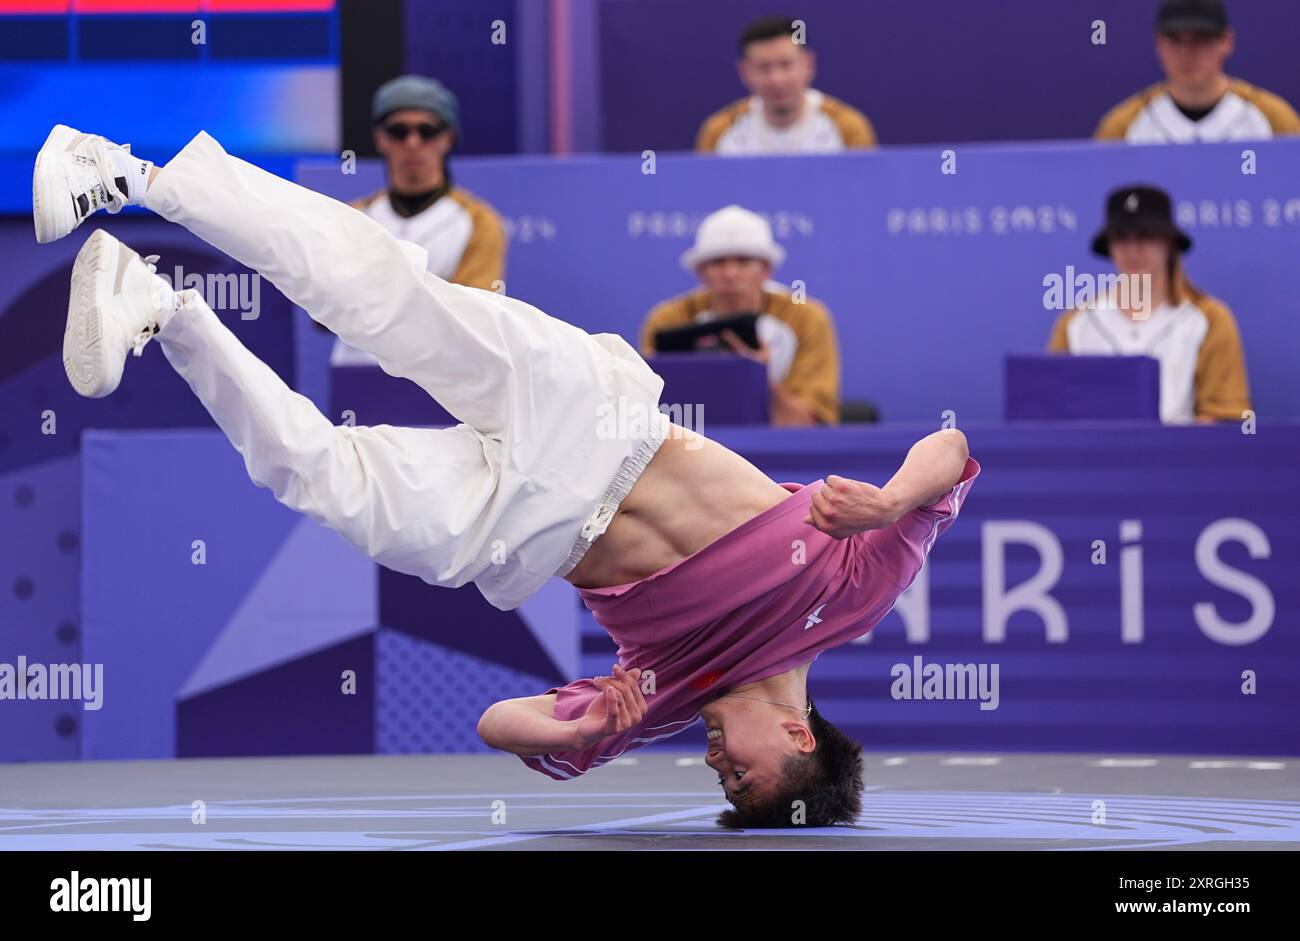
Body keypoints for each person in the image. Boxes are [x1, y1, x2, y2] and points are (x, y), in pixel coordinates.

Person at [34, 124, 978, 828]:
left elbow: (499, 720)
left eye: (721, 786)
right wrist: (895, 497)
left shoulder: (661, 704)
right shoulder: (852, 596)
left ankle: (162, 308)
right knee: (382, 301)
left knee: (321, 481)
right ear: (803, 740)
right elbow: (948, 454)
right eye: (746, 779)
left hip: (522, 531)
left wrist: (569, 734)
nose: (719, 770)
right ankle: (127, 172)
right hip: (595, 424)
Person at [327, 74, 506, 366]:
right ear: (380, 138)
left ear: (447, 138)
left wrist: (370, 296)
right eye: (398, 131)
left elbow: (472, 318)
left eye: (427, 131)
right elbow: (326, 312)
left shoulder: (479, 222)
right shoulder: (353, 217)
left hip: (440, 379)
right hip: (355, 373)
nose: (412, 143)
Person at [1047, 185, 1251, 423]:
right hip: (1094, 455)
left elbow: (1224, 416)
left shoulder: (1210, 319)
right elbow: (1052, 414)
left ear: (1169, 243)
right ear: (1109, 246)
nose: (1133, 250)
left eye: (1145, 235)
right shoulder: (1075, 323)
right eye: (1121, 238)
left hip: (1181, 455)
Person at [640, 205, 841, 425]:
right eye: (718, 262)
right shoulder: (667, 320)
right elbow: (653, 420)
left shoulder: (808, 319)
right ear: (700, 271)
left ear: (767, 269)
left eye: (744, 261)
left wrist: (757, 376)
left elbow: (809, 426)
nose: (730, 273)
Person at [1095, 0, 1300, 143]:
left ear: (1226, 41)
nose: (1187, 52)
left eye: (1201, 38)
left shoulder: (1274, 120)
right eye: (1175, 39)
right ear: (1158, 43)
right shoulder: (1122, 127)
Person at [696, 15, 876, 155]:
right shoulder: (719, 131)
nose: (777, 80)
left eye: (786, 64)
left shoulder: (847, 127)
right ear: (744, 72)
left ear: (808, 64)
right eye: (763, 68)